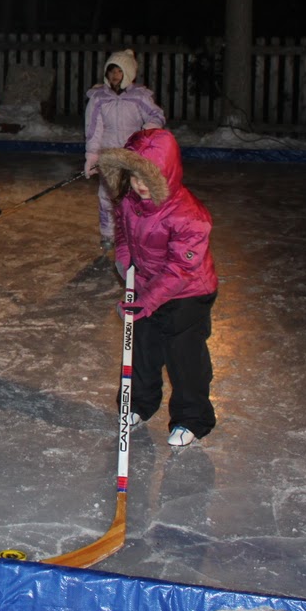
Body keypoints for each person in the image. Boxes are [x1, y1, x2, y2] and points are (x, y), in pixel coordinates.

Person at [99, 128, 217, 447]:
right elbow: (123, 236)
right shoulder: (128, 201)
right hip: (147, 286)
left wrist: (147, 300)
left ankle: (192, 418)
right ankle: (139, 404)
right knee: (141, 349)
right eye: (135, 175)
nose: (140, 184)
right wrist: (125, 265)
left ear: (167, 174)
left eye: (149, 177)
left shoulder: (189, 216)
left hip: (188, 294)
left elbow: (181, 268)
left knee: (184, 358)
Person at [83, 49, 165, 253]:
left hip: (132, 154)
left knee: (132, 195)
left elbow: (157, 115)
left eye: (119, 71)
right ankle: (108, 234)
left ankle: (132, 233)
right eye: (111, 71)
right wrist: (92, 155)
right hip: (109, 154)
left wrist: (151, 126)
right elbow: (93, 128)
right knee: (107, 195)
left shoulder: (139, 96)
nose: (114, 76)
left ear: (128, 73)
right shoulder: (99, 98)